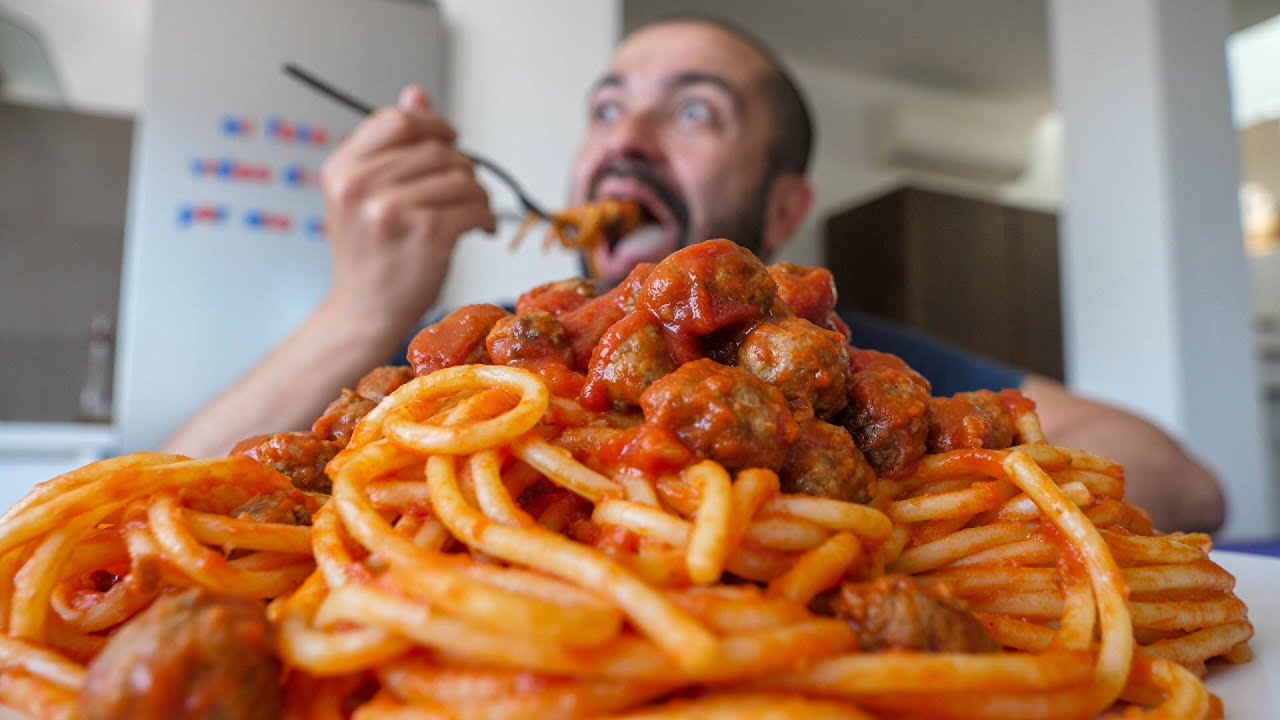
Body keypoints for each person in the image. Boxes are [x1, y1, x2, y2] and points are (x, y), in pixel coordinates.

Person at [161, 17, 1225, 533]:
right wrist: (360, 312)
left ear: (782, 208)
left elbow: (1180, 481)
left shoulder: (860, 369)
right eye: (607, 108)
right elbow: (150, 507)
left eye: (693, 112)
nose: (626, 140)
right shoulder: (462, 378)